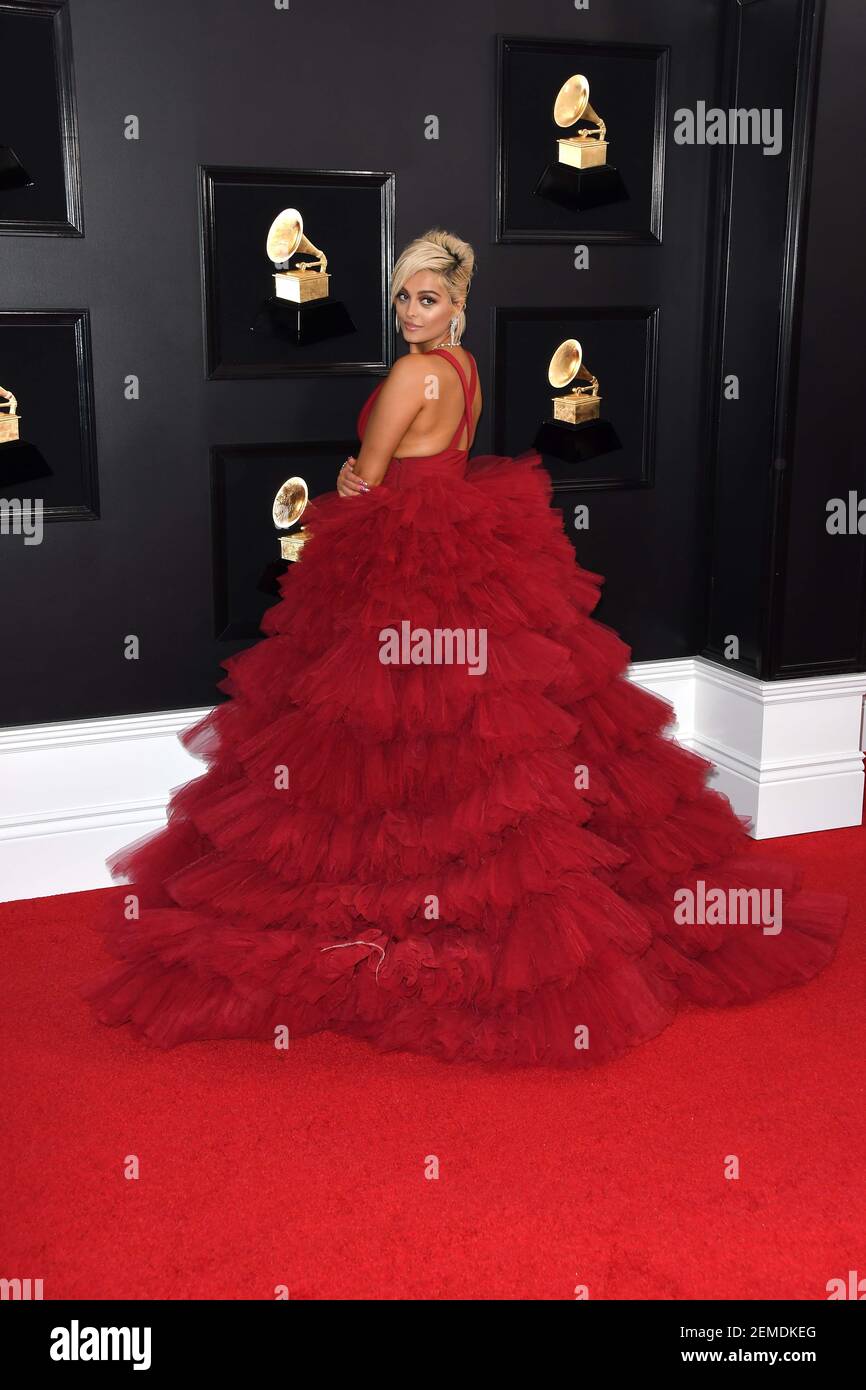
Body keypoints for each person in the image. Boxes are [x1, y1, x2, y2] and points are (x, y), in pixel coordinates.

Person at [80, 227, 847, 1068]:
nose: (412, 312)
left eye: (429, 298)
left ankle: (398, 909)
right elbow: (445, 450)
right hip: (462, 547)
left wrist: (348, 479)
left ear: (456, 304)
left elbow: (369, 473)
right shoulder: (465, 369)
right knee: (477, 730)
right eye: (404, 296)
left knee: (380, 731)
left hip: (403, 555)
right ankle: (465, 904)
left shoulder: (413, 372)